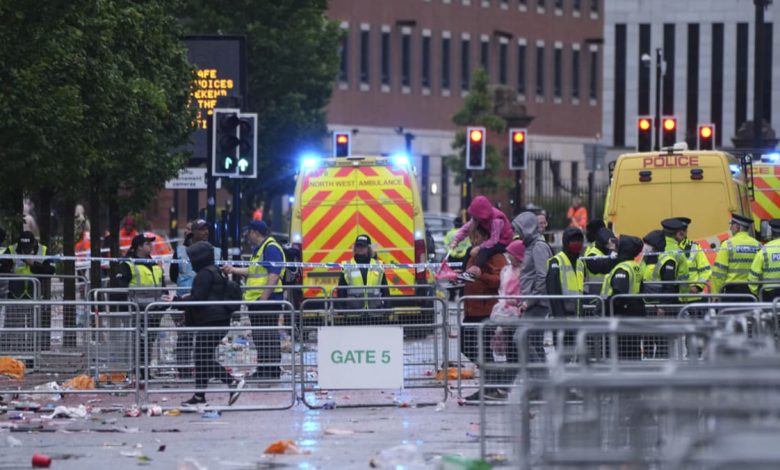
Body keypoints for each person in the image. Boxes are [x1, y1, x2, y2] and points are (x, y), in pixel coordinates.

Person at [163, 241, 244, 407]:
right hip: (217, 320)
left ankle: (232, 382)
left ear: (198, 258)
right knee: (202, 358)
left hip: (211, 321)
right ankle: (199, 396)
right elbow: (207, 295)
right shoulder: (215, 271)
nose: (190, 261)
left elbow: (198, 300)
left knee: (202, 358)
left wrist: (177, 301)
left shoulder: (204, 274)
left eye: (191, 258)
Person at [222, 220, 286, 380]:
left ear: (256, 232)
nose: (247, 235)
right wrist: (233, 269)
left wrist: (263, 299)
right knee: (260, 337)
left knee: (267, 337)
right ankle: (264, 369)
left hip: (266, 301)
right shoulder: (260, 249)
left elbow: (274, 275)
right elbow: (253, 271)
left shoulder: (271, 248)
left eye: (249, 232)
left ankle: (271, 371)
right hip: (258, 301)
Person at [460, 225, 508, 402]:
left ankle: (490, 386)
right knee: (467, 345)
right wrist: (460, 276)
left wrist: (481, 276)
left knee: (483, 349)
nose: (473, 240)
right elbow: (471, 275)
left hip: (486, 310)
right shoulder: (474, 253)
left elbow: (501, 279)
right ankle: (494, 379)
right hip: (472, 308)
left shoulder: (494, 256)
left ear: (486, 237)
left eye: (476, 236)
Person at [170, 219, 222, 377]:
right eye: (201, 229)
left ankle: (206, 371)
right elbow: (173, 274)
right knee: (185, 337)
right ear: (193, 232)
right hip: (185, 302)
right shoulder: (180, 251)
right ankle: (184, 371)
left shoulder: (216, 251)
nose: (206, 232)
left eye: (207, 229)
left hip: (207, 301)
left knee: (206, 339)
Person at [113, 234, 165, 379]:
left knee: (149, 342)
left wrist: (163, 304)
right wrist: (126, 308)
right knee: (139, 342)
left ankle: (145, 371)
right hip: (137, 311)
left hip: (154, 311)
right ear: (139, 247)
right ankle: (139, 372)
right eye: (147, 243)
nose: (151, 246)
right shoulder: (128, 264)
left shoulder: (154, 264)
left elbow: (162, 286)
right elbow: (120, 288)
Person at [511, 211, 552, 372]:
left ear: (526, 228)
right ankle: (542, 377)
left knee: (521, 338)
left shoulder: (538, 247)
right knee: (534, 342)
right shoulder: (532, 246)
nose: (517, 234)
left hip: (537, 304)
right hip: (534, 302)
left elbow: (542, 276)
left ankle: (541, 376)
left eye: (519, 230)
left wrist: (529, 301)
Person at [448, 196, 513, 283]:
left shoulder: (496, 219)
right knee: (469, 250)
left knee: (484, 251)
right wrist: (456, 240)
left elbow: (494, 240)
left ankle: (475, 270)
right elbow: (466, 228)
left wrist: (479, 247)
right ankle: (463, 273)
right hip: (492, 240)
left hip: (503, 241)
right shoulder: (477, 218)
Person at [601, 235, 646, 359]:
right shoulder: (635, 266)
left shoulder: (623, 268)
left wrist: (607, 308)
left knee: (619, 352)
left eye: (618, 246)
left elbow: (618, 296)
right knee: (632, 351)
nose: (615, 248)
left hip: (620, 316)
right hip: (633, 314)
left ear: (624, 249)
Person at [711, 213, 760, 301]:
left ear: (737, 227)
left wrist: (716, 295)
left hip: (732, 292)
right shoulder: (758, 245)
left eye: (732, 225)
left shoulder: (727, 245)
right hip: (752, 293)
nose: (730, 228)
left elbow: (719, 273)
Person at [337, 234, 388, 311]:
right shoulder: (347, 265)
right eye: (358, 246)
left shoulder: (378, 265)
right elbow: (341, 290)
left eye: (363, 246)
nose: (360, 248)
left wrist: (387, 307)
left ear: (369, 248)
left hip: (375, 310)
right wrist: (341, 308)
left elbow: (385, 289)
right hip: (353, 311)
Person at [546, 227, 584, 317]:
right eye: (574, 240)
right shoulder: (556, 262)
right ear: (566, 242)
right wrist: (560, 318)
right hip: (562, 317)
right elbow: (553, 292)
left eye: (579, 240)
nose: (577, 243)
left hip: (577, 315)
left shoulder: (580, 263)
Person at [7, 231, 55, 299]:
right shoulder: (12, 249)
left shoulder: (43, 250)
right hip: (15, 294)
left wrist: (33, 264)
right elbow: (2, 268)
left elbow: (51, 271)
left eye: (28, 247)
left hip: (35, 294)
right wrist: (10, 269)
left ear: (34, 243)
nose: (25, 249)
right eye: (23, 247)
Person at [675, 217, 712, 303]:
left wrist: (698, 286)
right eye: (679, 229)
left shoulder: (694, 247)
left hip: (694, 298)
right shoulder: (667, 248)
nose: (682, 232)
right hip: (675, 298)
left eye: (684, 229)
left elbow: (706, 270)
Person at [577, 224, 619, 297]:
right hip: (595, 295)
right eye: (608, 243)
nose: (610, 245)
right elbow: (606, 266)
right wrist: (612, 249)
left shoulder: (610, 252)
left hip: (608, 295)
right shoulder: (592, 255)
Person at [640, 230, 678, 306]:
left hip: (659, 304)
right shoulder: (645, 258)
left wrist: (663, 306)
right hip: (645, 302)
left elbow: (668, 286)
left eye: (648, 244)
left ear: (656, 245)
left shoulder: (667, 261)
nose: (645, 246)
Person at [749, 219, 780, 301]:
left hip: (770, 294)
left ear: (771, 232)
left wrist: (757, 294)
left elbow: (753, 276)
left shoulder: (764, 250)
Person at [659, 218, 691, 297]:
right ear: (677, 234)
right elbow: (683, 277)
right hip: (670, 294)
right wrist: (684, 295)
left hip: (648, 293)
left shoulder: (654, 246)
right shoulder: (678, 252)